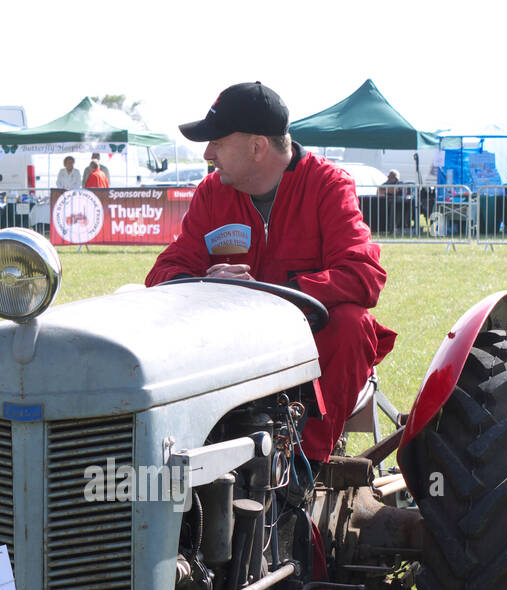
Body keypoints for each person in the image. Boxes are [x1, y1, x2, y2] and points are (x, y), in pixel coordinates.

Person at [146, 81, 394, 462]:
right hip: (231, 347)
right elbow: (164, 271)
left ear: (257, 147)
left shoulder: (327, 185)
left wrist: (268, 293)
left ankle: (305, 469)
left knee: (350, 324)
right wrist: (203, 284)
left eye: (217, 141)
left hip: (306, 347)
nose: (208, 153)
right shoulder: (212, 193)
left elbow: (364, 275)